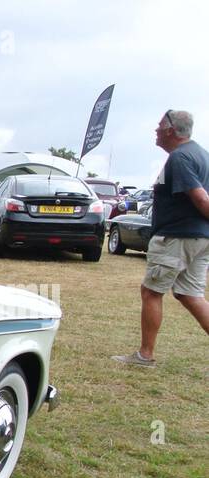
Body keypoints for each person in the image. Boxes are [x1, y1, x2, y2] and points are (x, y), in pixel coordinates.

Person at [113, 109, 209, 366]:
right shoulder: (201, 154)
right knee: (191, 295)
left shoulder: (181, 157)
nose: (155, 130)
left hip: (177, 237)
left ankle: (145, 355)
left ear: (171, 130)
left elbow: (200, 197)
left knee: (151, 292)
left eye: (159, 126)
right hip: (200, 238)